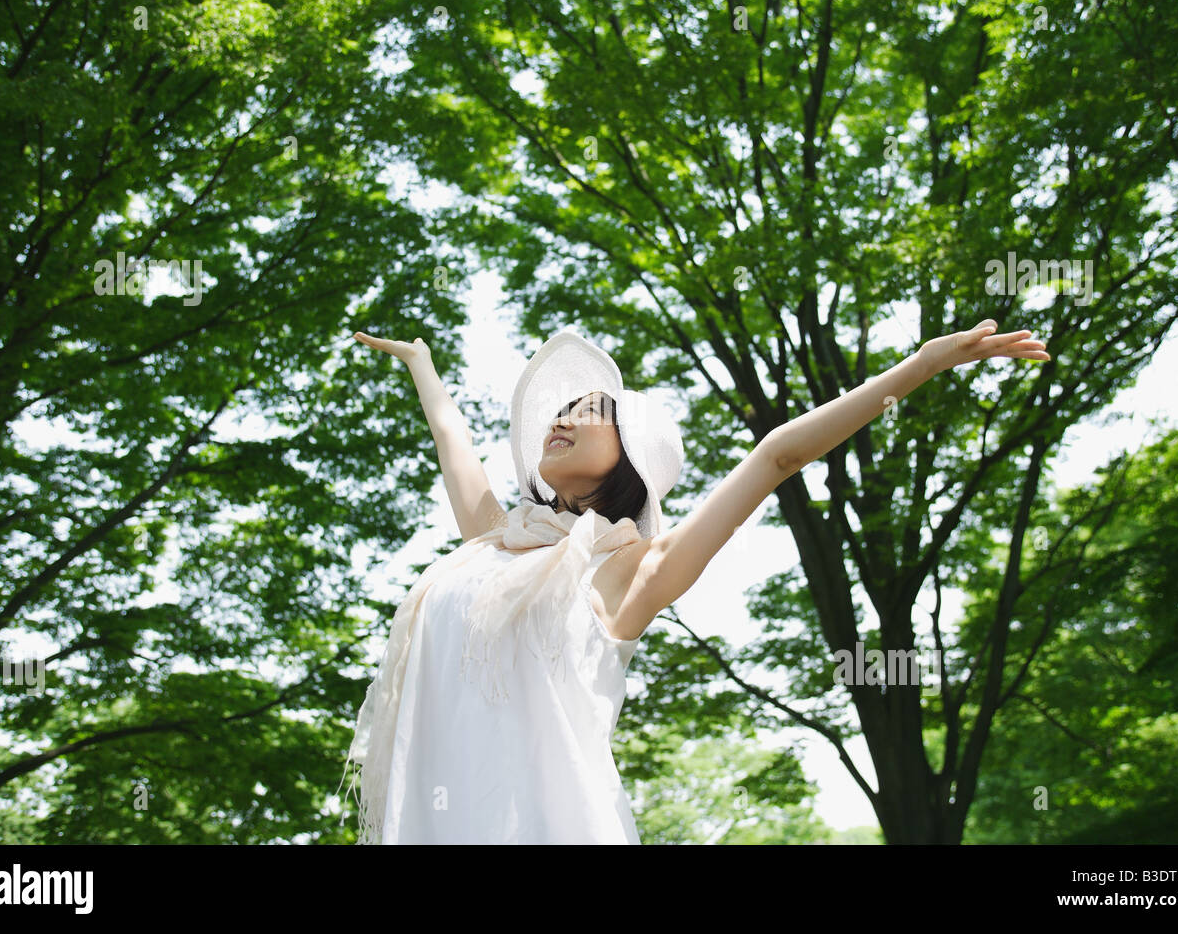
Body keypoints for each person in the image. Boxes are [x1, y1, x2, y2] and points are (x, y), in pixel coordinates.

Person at [341, 321, 1050, 844]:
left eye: (589, 411)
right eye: (560, 410)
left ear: (630, 460)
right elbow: (453, 446)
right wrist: (423, 366)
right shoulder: (493, 549)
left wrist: (918, 367)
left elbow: (776, 457)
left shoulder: (630, 571)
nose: (560, 419)